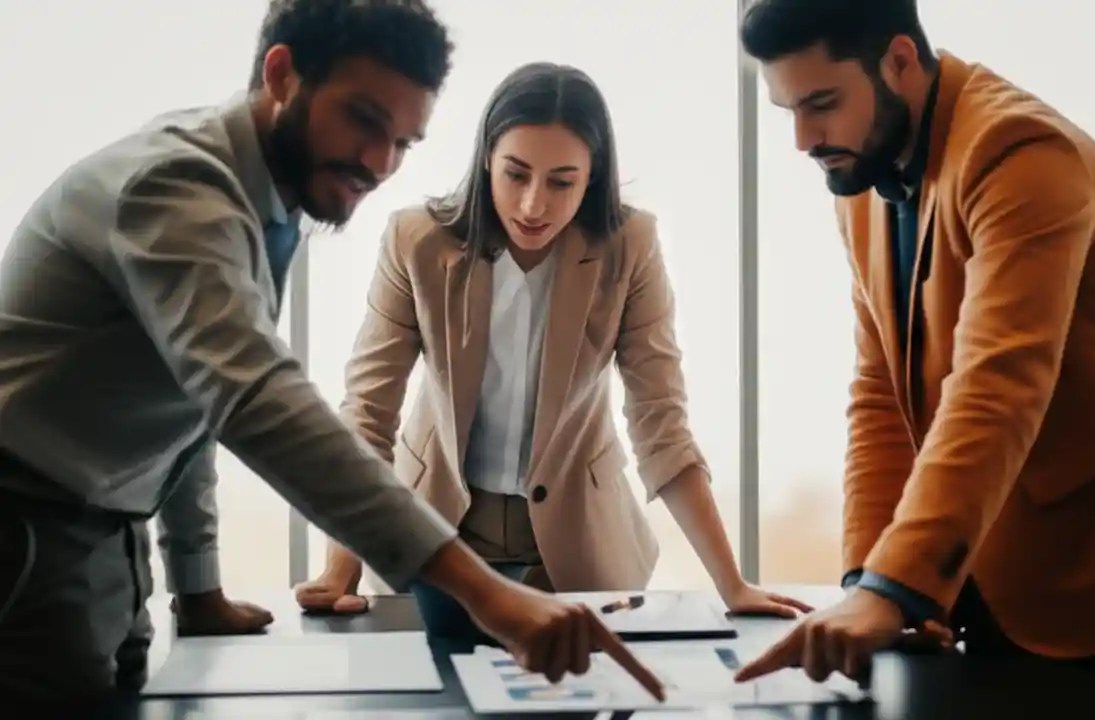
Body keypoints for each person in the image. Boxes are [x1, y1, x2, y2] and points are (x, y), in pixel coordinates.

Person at [0, 0, 661, 707]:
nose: (381, 163)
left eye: (404, 142)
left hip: (110, 536)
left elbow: (189, 396)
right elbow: (252, 397)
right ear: (281, 73)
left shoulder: (257, 205)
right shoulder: (181, 190)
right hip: (31, 527)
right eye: (365, 120)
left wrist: (196, 586)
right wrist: (487, 594)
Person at [732, 1, 1095, 717]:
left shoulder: (1021, 153)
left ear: (900, 62)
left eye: (821, 103)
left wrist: (893, 589)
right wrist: (869, 581)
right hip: (1004, 579)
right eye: (787, 108)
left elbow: (997, 387)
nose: (802, 139)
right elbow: (882, 388)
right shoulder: (862, 175)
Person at [292, 61, 812, 637]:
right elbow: (369, 410)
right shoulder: (416, 241)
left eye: (562, 181)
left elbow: (660, 422)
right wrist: (341, 567)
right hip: (434, 542)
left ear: (592, 178)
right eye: (516, 174)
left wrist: (732, 584)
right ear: (487, 157)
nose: (533, 205)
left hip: (580, 549)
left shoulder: (629, 247)